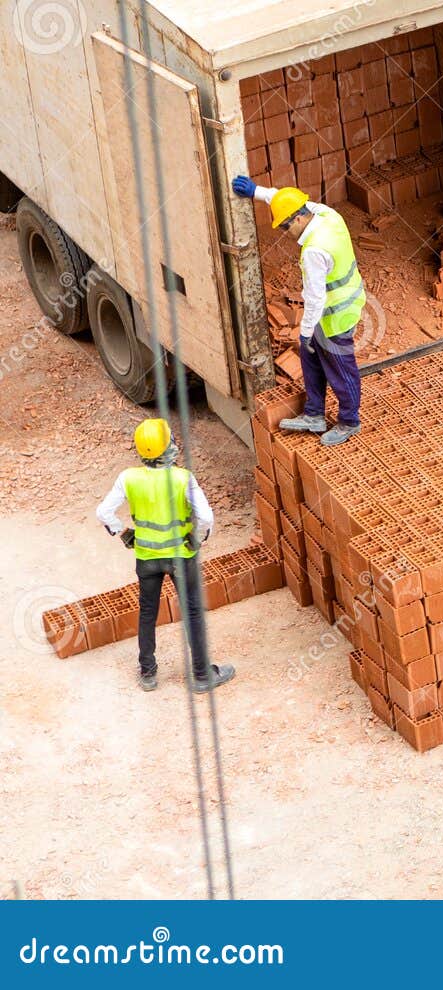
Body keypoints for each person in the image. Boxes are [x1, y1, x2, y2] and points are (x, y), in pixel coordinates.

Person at [97, 419, 235, 693]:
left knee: (148, 612)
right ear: (168, 447)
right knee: (192, 611)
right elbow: (206, 517)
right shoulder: (183, 478)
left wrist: (123, 533)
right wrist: (196, 538)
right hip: (181, 557)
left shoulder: (128, 478)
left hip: (147, 557)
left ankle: (148, 673)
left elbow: (103, 512)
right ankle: (201, 675)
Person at [231, 176, 365, 446]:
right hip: (341, 305)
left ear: (298, 219)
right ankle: (314, 413)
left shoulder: (314, 251)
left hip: (335, 317)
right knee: (310, 357)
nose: (285, 232)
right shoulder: (327, 214)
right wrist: (258, 192)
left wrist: (304, 333)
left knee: (341, 370)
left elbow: (315, 298)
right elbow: (286, 199)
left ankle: (350, 421)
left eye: (284, 227)